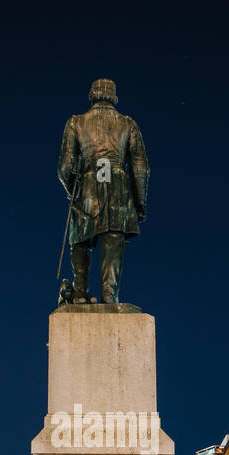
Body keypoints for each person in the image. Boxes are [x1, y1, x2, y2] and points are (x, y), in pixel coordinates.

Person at [57, 78, 149, 305]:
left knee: (80, 240)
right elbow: (140, 167)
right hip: (118, 188)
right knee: (113, 238)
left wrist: (72, 191)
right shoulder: (128, 124)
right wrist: (139, 203)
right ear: (113, 97)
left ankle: (79, 292)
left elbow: (64, 167)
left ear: (92, 95)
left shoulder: (76, 122)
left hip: (87, 185)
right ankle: (110, 296)